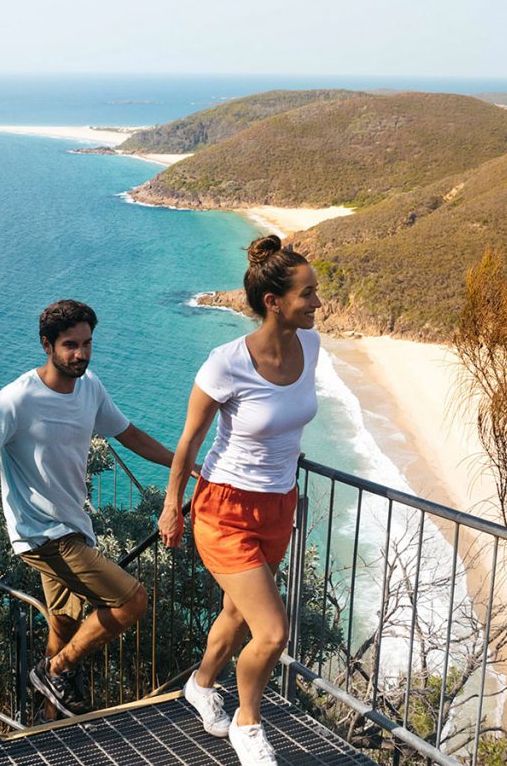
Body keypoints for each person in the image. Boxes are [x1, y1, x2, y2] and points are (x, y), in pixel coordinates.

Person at [0, 299, 189, 718]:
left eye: (87, 344)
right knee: (132, 601)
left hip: (74, 528)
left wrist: (187, 464)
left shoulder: (90, 387)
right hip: (41, 536)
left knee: (62, 624)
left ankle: (48, 720)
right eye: (69, 345)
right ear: (47, 345)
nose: (80, 354)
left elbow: (129, 435)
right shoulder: (16, 400)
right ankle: (55, 670)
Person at [158, 236, 322, 766]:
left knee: (235, 610)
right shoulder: (226, 362)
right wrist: (171, 505)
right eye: (308, 294)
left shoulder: (312, 347)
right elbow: (189, 442)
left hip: (279, 504)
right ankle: (248, 726)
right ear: (274, 301)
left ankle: (201, 685)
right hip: (225, 508)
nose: (318, 303)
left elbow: (286, 423)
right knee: (272, 632)